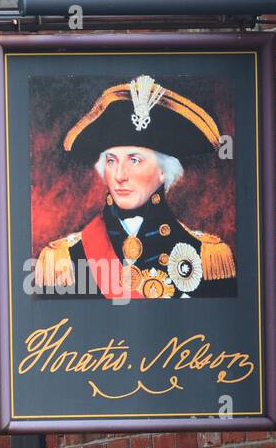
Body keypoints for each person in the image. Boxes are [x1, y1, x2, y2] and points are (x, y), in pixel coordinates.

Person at [34, 75, 236, 300]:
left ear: (163, 171)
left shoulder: (205, 257)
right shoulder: (66, 261)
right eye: (111, 161)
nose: (119, 176)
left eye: (134, 160)